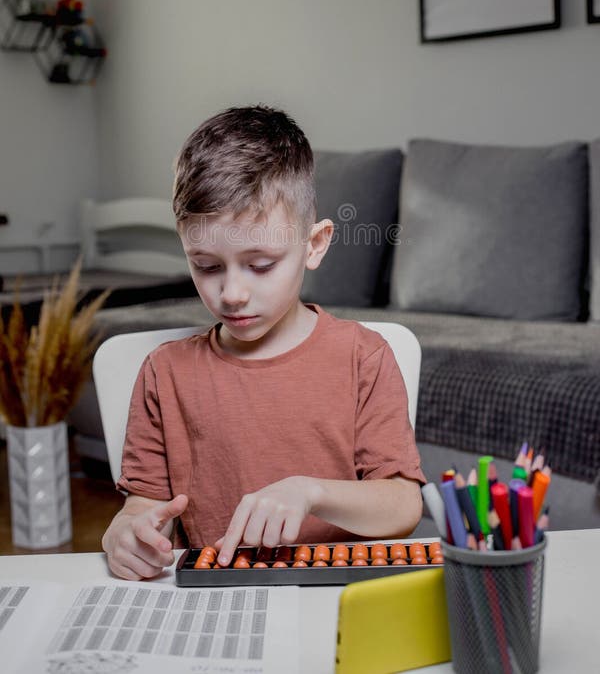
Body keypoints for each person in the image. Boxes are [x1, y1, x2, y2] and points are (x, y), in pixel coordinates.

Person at [102, 105, 425, 580]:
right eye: (207, 266)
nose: (232, 293)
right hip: (218, 604)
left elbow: (402, 503)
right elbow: (141, 508)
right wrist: (125, 534)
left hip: (335, 598)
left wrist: (310, 492)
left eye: (260, 264)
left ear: (314, 245)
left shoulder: (363, 357)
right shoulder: (164, 373)